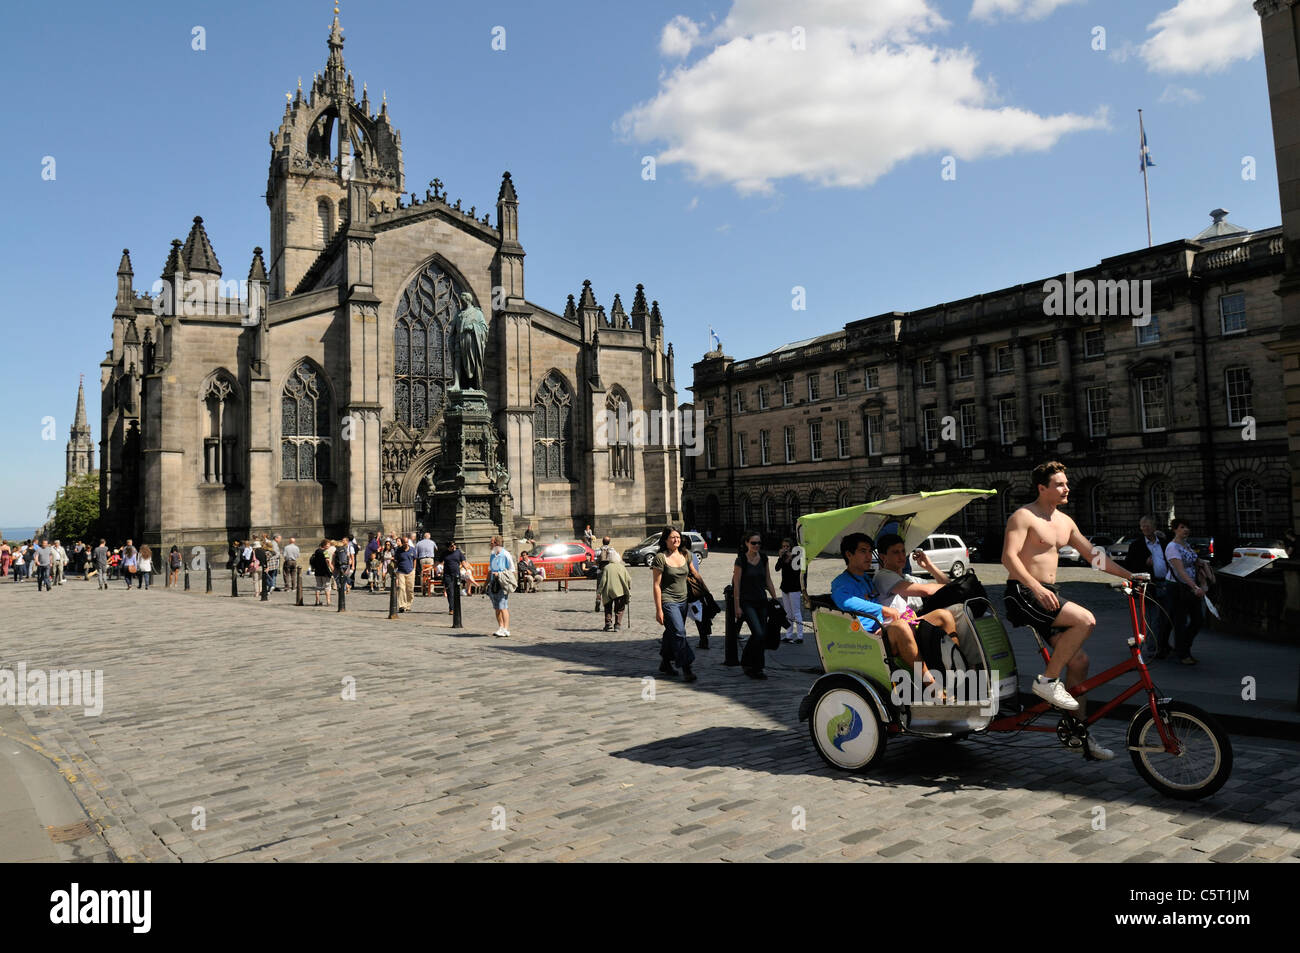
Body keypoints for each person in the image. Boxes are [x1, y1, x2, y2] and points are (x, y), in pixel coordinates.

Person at [1001, 461, 1137, 761]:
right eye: (1060, 484)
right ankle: (1047, 682)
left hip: (1048, 594)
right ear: (1042, 488)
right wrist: (1035, 588)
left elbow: (1094, 557)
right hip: (1024, 593)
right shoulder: (1023, 516)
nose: (1066, 488)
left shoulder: (1065, 522)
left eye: (1066, 483)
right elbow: (1009, 558)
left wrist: (1131, 576)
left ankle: (1079, 735)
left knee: (1079, 662)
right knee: (1085, 619)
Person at [652, 526, 702, 682]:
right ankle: (687, 667)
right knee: (680, 632)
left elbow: (694, 573)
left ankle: (665, 663)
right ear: (666, 540)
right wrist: (659, 609)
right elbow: (656, 585)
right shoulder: (661, 558)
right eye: (672, 537)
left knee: (671, 633)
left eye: (678, 537)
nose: (676, 540)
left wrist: (704, 592)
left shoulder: (685, 555)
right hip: (668, 602)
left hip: (683, 601)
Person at [732, 531, 780, 680]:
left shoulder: (764, 558)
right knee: (758, 633)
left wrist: (775, 598)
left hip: (762, 601)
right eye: (753, 543)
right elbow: (737, 584)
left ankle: (757, 668)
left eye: (759, 543)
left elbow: (768, 580)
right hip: (747, 602)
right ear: (747, 543)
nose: (756, 546)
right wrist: (737, 606)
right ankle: (748, 661)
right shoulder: (741, 560)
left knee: (762, 635)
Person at [1123, 517, 1173, 659]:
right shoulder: (1136, 545)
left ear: (1154, 527)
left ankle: (1163, 644)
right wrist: (1144, 563)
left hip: (1166, 583)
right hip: (1149, 586)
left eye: (1148, 526)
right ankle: (1153, 648)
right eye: (1142, 526)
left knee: (1167, 617)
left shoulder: (1163, 542)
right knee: (1153, 618)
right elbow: (1129, 566)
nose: (1145, 528)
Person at [1165, 518, 1206, 665]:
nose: (1185, 530)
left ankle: (1182, 647)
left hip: (1190, 586)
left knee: (1198, 619)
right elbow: (1180, 571)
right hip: (1177, 587)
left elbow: (1194, 563)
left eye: (1187, 527)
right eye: (1182, 527)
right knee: (1180, 621)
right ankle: (1182, 653)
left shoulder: (1186, 545)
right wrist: (1194, 587)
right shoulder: (1172, 547)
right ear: (1175, 529)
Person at [775, 538, 805, 644]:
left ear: (791, 547)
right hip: (785, 587)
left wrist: (790, 558)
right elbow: (776, 568)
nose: (785, 548)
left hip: (794, 588)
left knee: (796, 612)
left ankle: (800, 636)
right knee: (788, 612)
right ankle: (789, 635)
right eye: (783, 546)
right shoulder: (782, 558)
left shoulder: (797, 558)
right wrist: (780, 558)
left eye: (787, 546)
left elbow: (798, 573)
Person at [598, 544, 632, 631]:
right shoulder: (622, 567)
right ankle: (617, 625)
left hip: (608, 592)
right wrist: (628, 587)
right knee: (619, 608)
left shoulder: (606, 568)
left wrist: (599, 591)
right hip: (620, 591)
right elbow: (628, 579)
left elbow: (603, 581)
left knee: (608, 608)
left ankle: (608, 623)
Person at [488, 536, 516, 637]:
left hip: (502, 583)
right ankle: (500, 627)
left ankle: (506, 629)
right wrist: (486, 583)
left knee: (503, 606)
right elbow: (490, 570)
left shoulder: (505, 554)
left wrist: (500, 575)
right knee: (497, 607)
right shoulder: (492, 554)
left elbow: (512, 570)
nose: (490, 545)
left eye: (491, 543)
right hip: (493, 584)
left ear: (496, 543)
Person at [393, 535, 416, 613]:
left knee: (410, 589)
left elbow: (415, 559)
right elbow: (396, 561)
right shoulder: (398, 551)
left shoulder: (412, 550)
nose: (406, 544)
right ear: (402, 543)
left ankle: (408, 605)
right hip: (401, 572)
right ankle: (402, 606)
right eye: (404, 542)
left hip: (410, 571)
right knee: (401, 588)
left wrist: (414, 569)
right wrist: (395, 568)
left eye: (407, 542)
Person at [442, 540, 465, 615]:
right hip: (447, 575)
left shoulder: (458, 552)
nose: (454, 546)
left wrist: (467, 569)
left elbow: (463, 562)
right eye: (452, 545)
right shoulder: (444, 553)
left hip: (456, 575)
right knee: (450, 592)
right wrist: (432, 567)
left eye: (454, 545)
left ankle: (456, 607)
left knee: (456, 592)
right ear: (448, 547)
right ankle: (451, 608)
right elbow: (438, 562)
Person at [310, 540, 332, 606]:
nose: (329, 546)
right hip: (325, 571)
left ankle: (317, 601)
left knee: (318, 586)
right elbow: (327, 560)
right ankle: (328, 601)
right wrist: (331, 567)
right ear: (324, 545)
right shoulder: (325, 552)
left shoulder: (317, 551)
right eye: (328, 544)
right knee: (327, 586)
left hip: (318, 571)